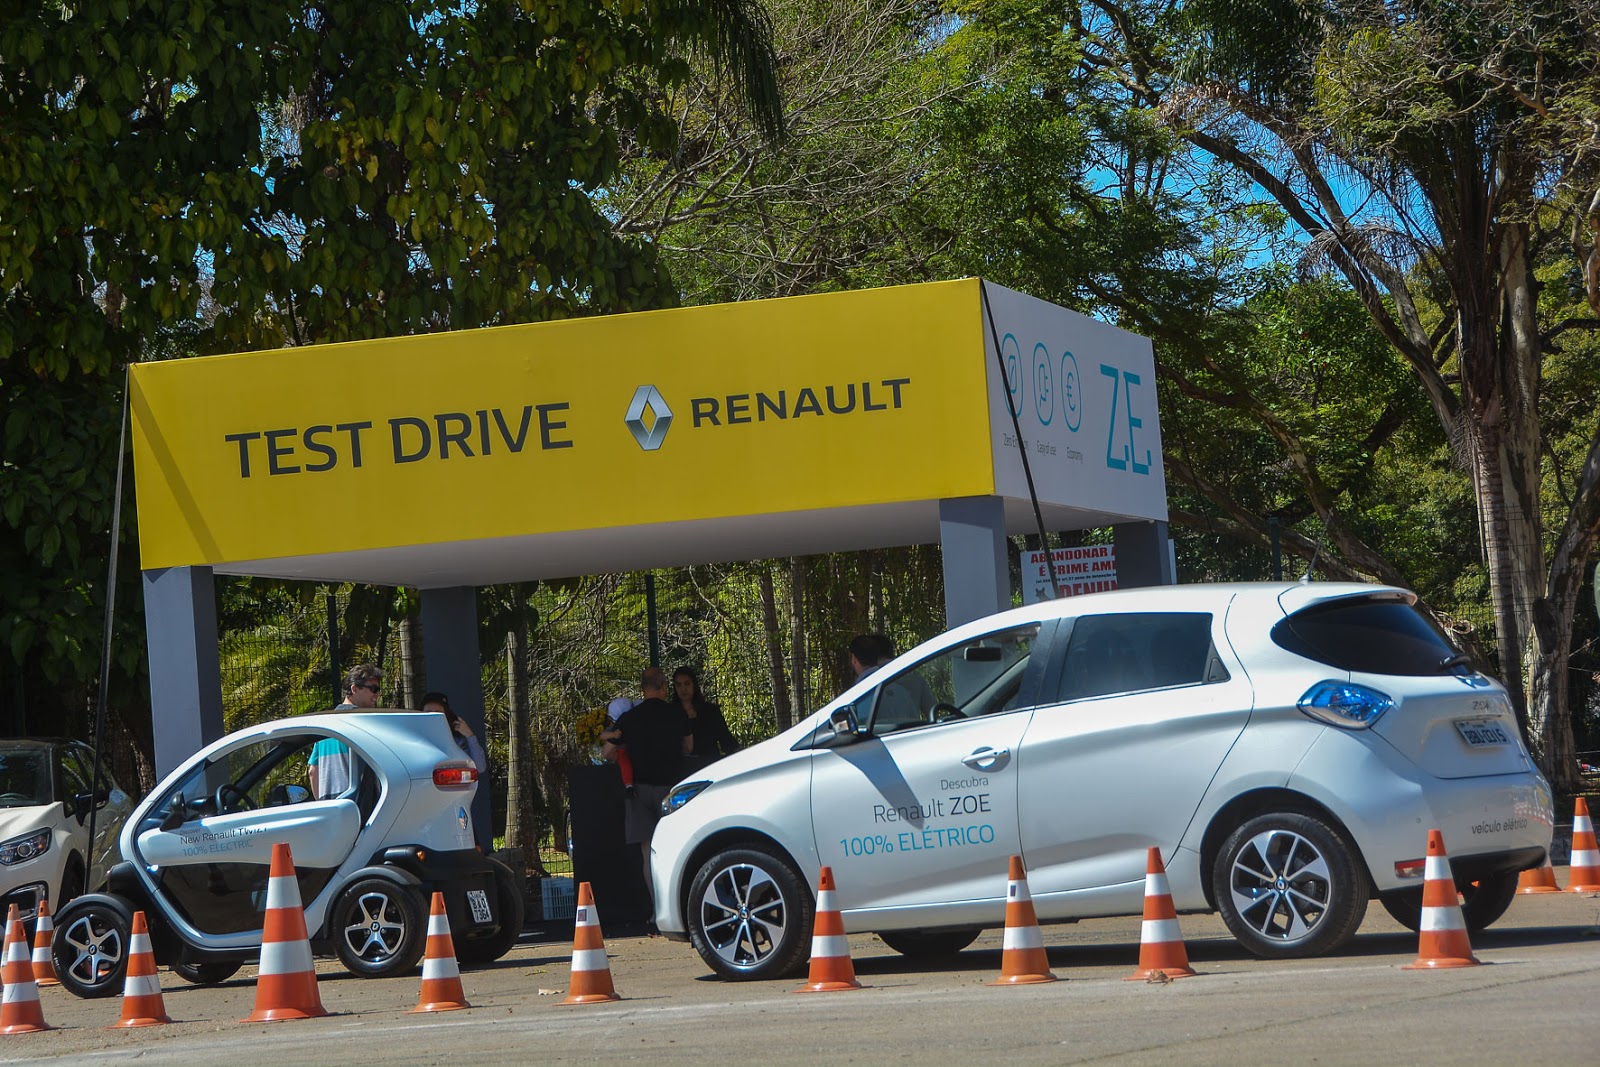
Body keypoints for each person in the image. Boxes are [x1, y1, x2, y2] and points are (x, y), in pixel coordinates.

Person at [601, 666, 690, 926]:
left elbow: (607, 752)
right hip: (671, 790)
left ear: (643, 689)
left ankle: (657, 910)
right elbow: (689, 746)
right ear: (664, 687)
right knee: (676, 848)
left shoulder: (630, 718)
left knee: (647, 853)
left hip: (638, 790)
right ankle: (681, 908)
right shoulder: (677, 714)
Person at [310, 664, 381, 799]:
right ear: (354, 689)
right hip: (359, 806)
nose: (377, 694)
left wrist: (322, 804)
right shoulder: (363, 723)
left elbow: (313, 771)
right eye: (373, 689)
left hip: (330, 806)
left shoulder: (325, 723)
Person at [671, 666, 737, 763]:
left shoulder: (711, 712)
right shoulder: (670, 714)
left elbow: (727, 742)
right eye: (679, 685)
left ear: (694, 685)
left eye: (687, 684)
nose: (683, 689)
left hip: (710, 765)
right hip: (682, 769)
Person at [422, 691, 487, 775]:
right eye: (428, 712)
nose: (433, 716)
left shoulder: (458, 739)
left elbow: (480, 767)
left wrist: (469, 735)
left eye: (437, 713)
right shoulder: (414, 736)